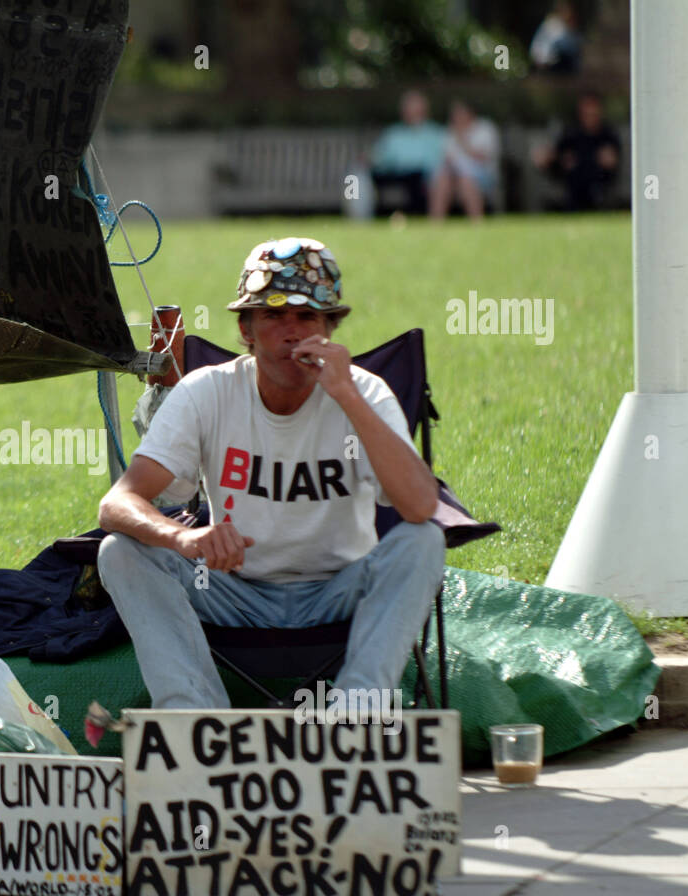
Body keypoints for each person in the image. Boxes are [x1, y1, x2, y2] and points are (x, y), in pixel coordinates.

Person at [96, 237, 445, 709]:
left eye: (307, 317)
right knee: (120, 551)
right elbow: (117, 504)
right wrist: (184, 539)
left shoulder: (365, 393)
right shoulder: (208, 392)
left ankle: (358, 709)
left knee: (423, 541)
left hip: (340, 588)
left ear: (329, 328)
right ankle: (195, 721)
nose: (291, 331)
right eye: (273, 315)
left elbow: (421, 506)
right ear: (246, 330)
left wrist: (347, 398)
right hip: (232, 590)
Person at [532, 93, 622, 211]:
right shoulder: (570, 135)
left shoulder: (608, 136)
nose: (590, 117)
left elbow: (613, 167)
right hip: (572, 194)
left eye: (593, 114)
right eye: (586, 114)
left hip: (600, 193)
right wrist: (548, 159)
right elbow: (557, 163)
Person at [367, 90, 446, 215]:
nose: (411, 113)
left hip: (420, 176)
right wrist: (369, 160)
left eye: (415, 109)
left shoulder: (435, 134)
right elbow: (379, 157)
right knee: (365, 177)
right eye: (408, 109)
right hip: (393, 173)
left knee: (417, 180)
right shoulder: (393, 133)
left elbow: (437, 162)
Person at [429, 101, 501, 221]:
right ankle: (436, 223)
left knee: (466, 180)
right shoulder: (449, 132)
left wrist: (461, 139)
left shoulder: (485, 128)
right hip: (453, 176)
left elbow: (482, 158)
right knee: (442, 180)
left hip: (482, 176)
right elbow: (446, 159)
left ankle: (476, 221)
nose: (457, 118)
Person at [530, 1, 582, 76]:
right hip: (549, 64)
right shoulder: (551, 25)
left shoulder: (572, 30)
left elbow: (575, 51)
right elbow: (541, 49)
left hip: (565, 67)